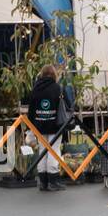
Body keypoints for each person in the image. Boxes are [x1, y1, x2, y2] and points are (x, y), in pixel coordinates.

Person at [26, 64, 71, 193]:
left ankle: (43, 182)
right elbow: (67, 105)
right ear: (54, 75)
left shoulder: (36, 88)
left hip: (39, 125)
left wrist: (31, 128)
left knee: (42, 151)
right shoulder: (57, 88)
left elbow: (31, 110)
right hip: (55, 126)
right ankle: (53, 181)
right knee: (54, 151)